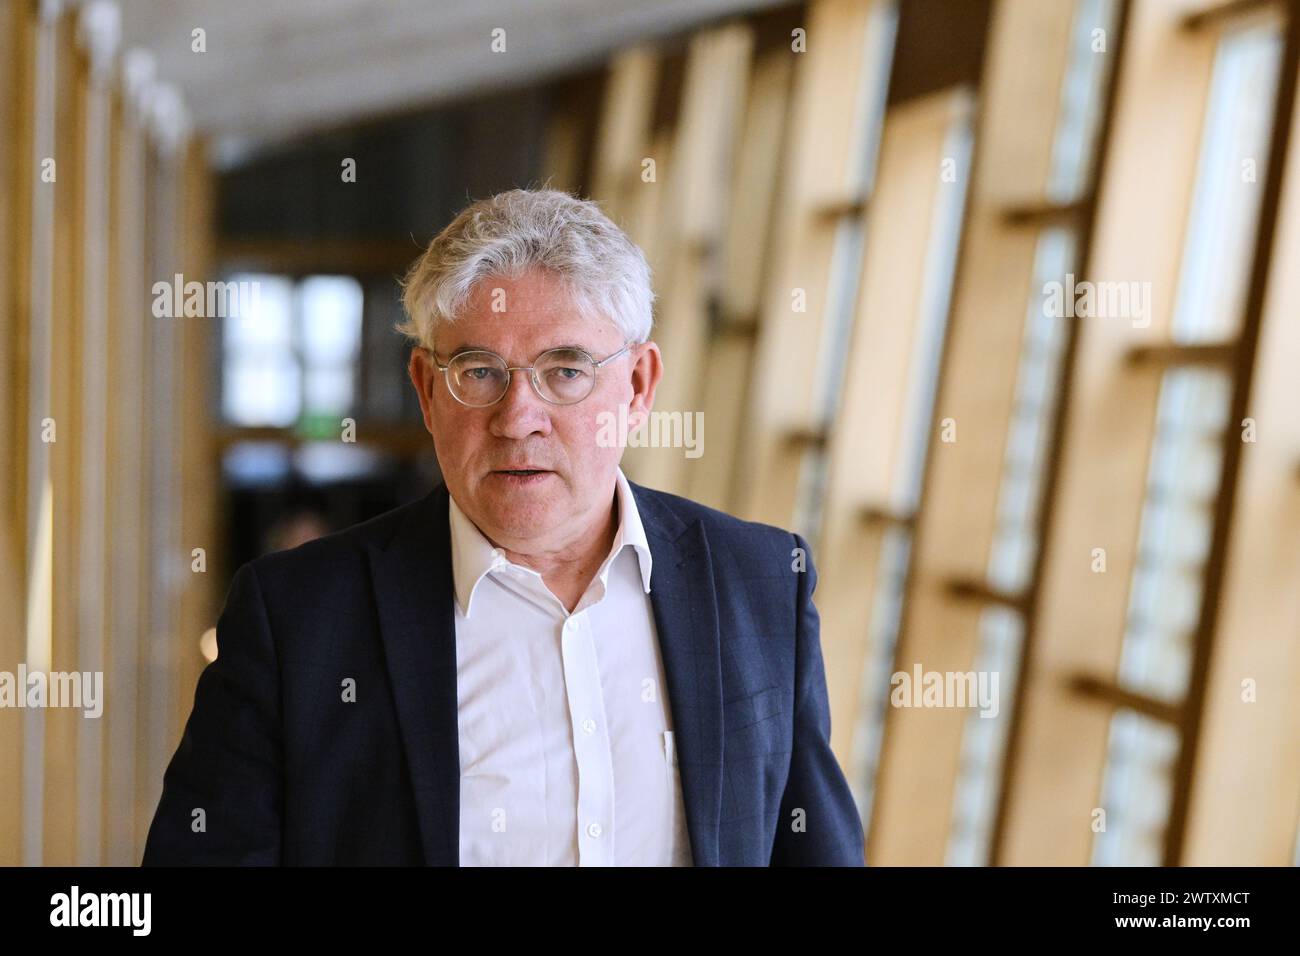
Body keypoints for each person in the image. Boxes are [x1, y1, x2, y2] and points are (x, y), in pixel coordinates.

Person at [142, 188, 865, 866]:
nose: (519, 419)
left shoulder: (760, 583)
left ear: (639, 387)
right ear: (427, 390)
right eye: (479, 371)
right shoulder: (298, 619)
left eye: (566, 370)